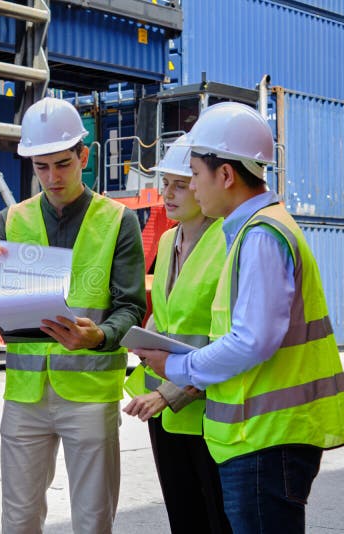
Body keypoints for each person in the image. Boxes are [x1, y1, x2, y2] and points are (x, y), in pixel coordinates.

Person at [136, 102, 344, 534]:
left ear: (225, 175)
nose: (191, 189)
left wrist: (176, 367)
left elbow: (253, 340)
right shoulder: (252, 231)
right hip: (255, 436)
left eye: (195, 176)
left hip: (266, 440)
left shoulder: (260, 235)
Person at [0, 97, 146, 534]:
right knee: (19, 519)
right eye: (41, 167)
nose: (52, 177)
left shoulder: (119, 221)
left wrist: (98, 336)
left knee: (92, 520)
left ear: (84, 155)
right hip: (25, 396)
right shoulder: (10, 220)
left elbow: (130, 306)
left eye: (62, 164)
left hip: (90, 393)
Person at [122, 135, 230, 533]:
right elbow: (165, 316)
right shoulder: (168, 240)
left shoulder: (229, 243)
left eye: (180, 184)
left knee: (216, 519)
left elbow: (225, 341)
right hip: (163, 411)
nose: (166, 193)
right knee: (183, 518)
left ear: (207, 182)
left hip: (207, 410)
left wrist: (166, 394)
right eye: (164, 183)